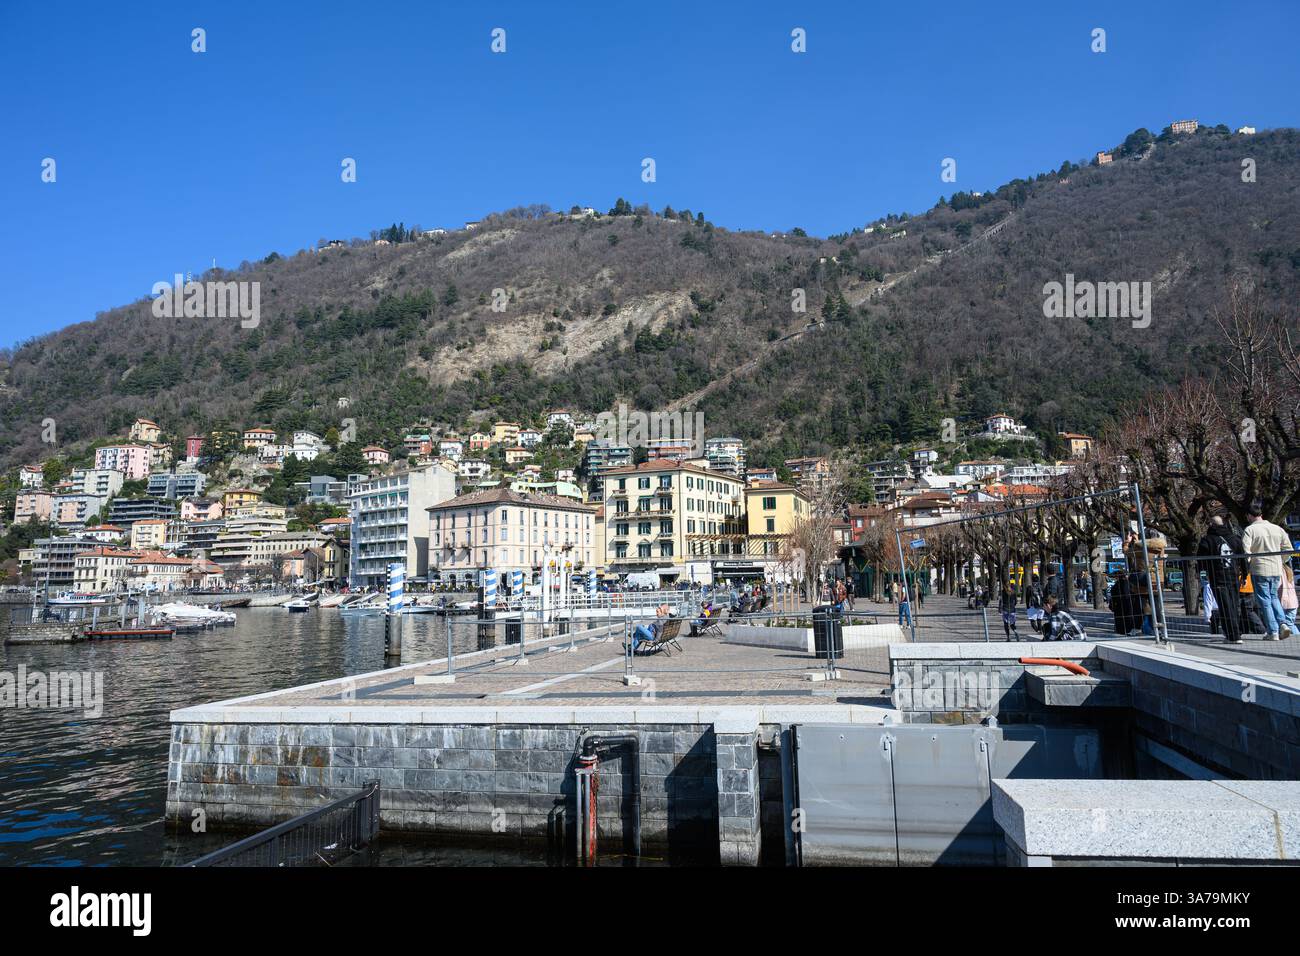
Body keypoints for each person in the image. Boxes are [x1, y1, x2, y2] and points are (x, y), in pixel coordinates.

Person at [1242, 502, 1293, 640]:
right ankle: (1282, 623)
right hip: (1276, 568)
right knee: (1274, 597)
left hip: (1259, 568)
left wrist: (1248, 566)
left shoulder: (1250, 530)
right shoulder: (1277, 528)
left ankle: (1273, 631)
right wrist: (1281, 560)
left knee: (1264, 600)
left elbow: (1246, 552)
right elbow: (1288, 548)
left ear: (1249, 516)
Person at [1197, 515, 1246, 644]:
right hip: (1233, 575)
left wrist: (1202, 574)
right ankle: (1236, 632)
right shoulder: (1235, 538)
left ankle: (1233, 635)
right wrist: (1245, 574)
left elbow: (1201, 560)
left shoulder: (1208, 540)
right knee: (1234, 604)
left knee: (1225, 606)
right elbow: (1243, 558)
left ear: (1211, 525)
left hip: (1217, 576)